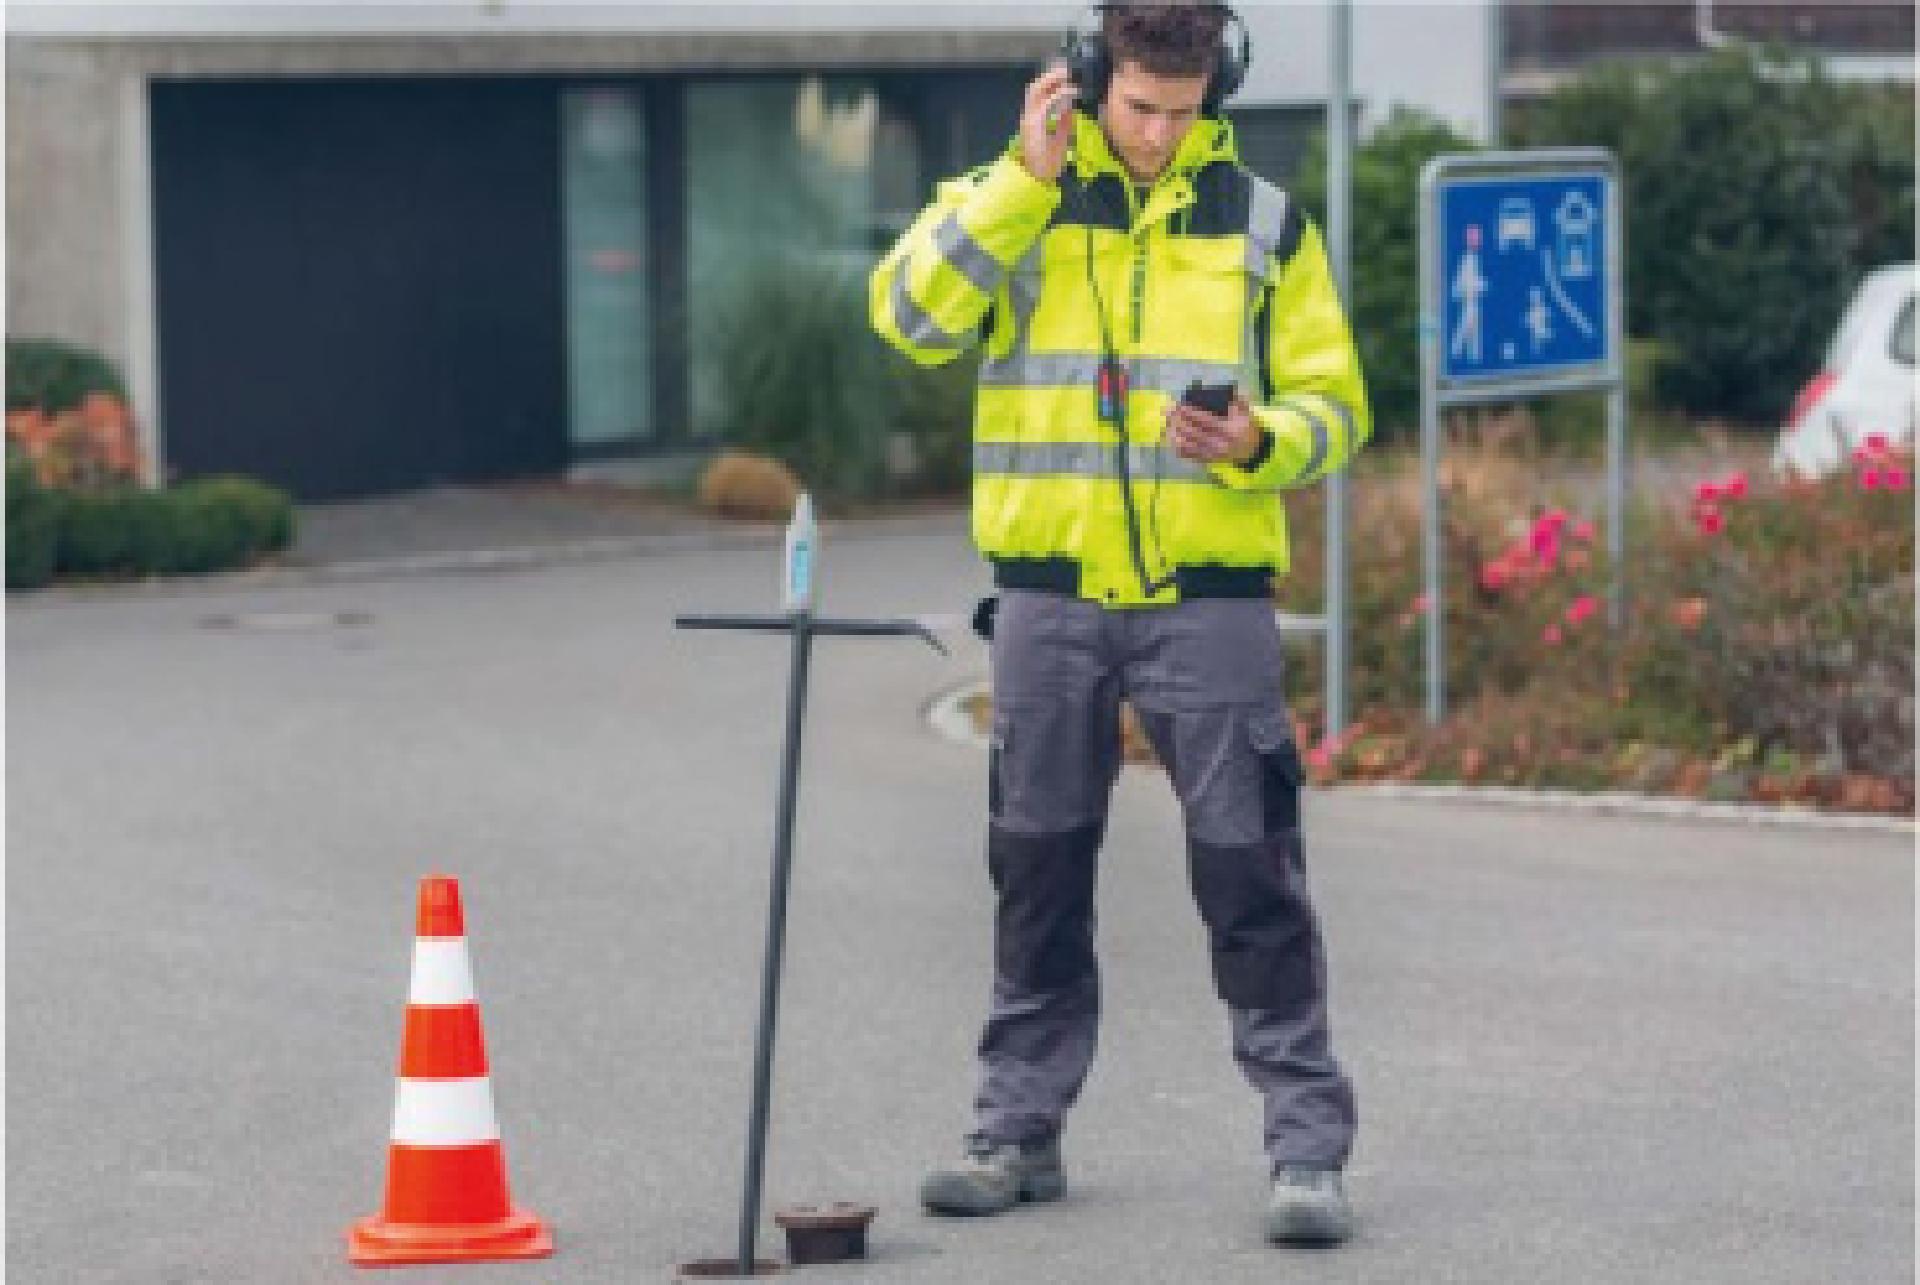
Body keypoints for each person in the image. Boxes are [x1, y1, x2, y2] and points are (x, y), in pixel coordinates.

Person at [868, 1, 1367, 1246]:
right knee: (1034, 872)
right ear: (1090, 79)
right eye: (1138, 106)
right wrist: (1020, 193)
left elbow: (1340, 407)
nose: (1154, 134)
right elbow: (908, 319)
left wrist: (1261, 440)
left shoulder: (1263, 223)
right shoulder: (1009, 193)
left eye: (1181, 112)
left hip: (1210, 603)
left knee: (1253, 874)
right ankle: (1014, 1131)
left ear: (1217, 93)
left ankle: (1307, 1153)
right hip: (1047, 598)